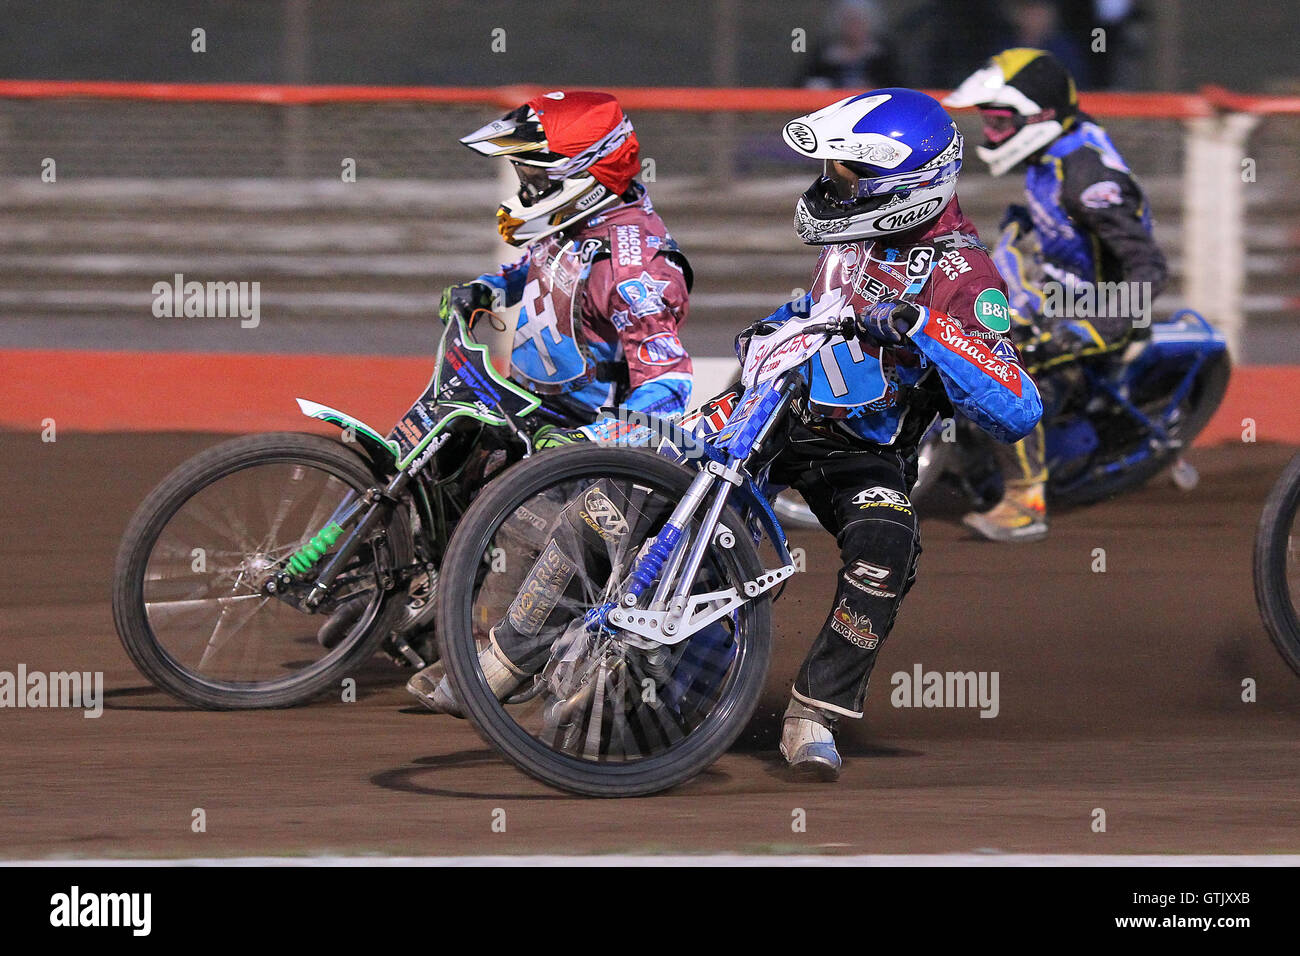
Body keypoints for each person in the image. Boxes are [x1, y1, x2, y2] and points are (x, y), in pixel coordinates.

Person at [406, 90, 694, 709]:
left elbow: (668, 390)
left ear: (586, 176)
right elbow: (535, 265)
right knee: (439, 454)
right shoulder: (572, 222)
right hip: (533, 407)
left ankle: (499, 665)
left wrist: (598, 442)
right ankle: (412, 604)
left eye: (536, 175)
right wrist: (488, 286)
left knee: (577, 525)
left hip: (585, 437)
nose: (525, 187)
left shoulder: (635, 269)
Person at [944, 49, 1168, 541]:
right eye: (989, 121)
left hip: (1100, 304)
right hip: (1055, 285)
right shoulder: (1055, 144)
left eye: (1001, 121)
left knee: (1006, 366)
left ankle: (1026, 501)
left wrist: (1090, 327)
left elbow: (1149, 268)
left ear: (1040, 117)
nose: (991, 134)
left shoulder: (1089, 181)